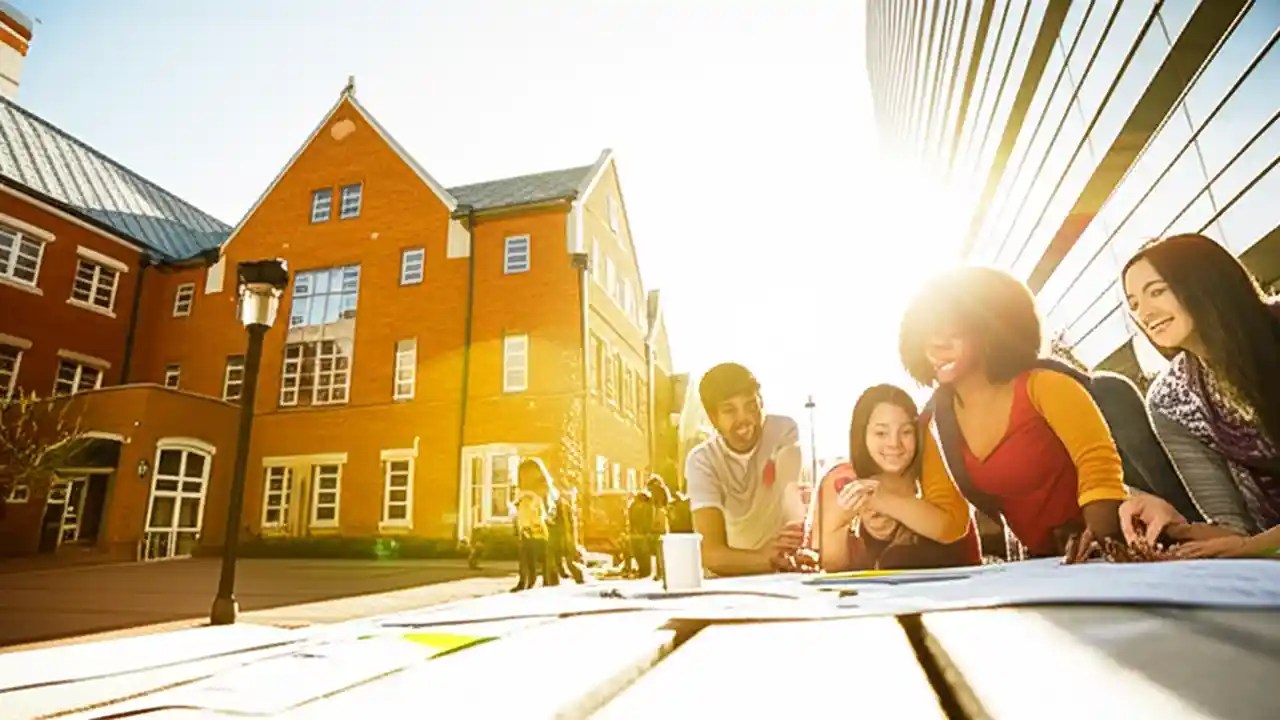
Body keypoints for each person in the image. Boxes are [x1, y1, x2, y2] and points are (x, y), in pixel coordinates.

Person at [897, 266, 1133, 560]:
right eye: (925, 335)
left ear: (989, 328)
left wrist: (1101, 539)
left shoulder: (1044, 386)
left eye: (950, 331)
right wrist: (885, 501)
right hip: (1040, 566)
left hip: (1110, 549)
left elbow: (1098, 463)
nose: (935, 346)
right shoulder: (936, 424)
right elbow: (949, 520)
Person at [1118, 234, 1280, 557]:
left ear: (1203, 281)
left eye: (1157, 291)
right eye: (1134, 304)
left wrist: (1253, 546)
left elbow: (1245, 544)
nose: (1145, 313)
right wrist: (1176, 526)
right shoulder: (1169, 401)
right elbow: (1232, 531)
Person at [808, 385, 980, 572]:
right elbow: (832, 568)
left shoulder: (936, 472)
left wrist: (883, 501)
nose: (894, 443)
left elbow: (951, 531)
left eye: (906, 432)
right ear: (861, 434)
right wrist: (839, 524)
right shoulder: (842, 482)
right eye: (881, 433)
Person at [686, 362, 807, 575]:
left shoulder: (782, 430)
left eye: (752, 406)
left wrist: (794, 534)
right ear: (713, 419)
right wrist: (764, 558)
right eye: (730, 410)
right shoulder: (702, 460)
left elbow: (790, 491)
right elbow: (711, 554)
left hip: (783, 572)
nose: (745, 419)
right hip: (729, 579)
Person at [512, 458, 556, 591]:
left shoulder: (542, 489)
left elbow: (546, 510)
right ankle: (526, 581)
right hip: (526, 526)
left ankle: (548, 582)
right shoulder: (522, 491)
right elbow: (519, 510)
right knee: (526, 555)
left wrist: (538, 522)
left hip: (539, 527)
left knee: (544, 556)